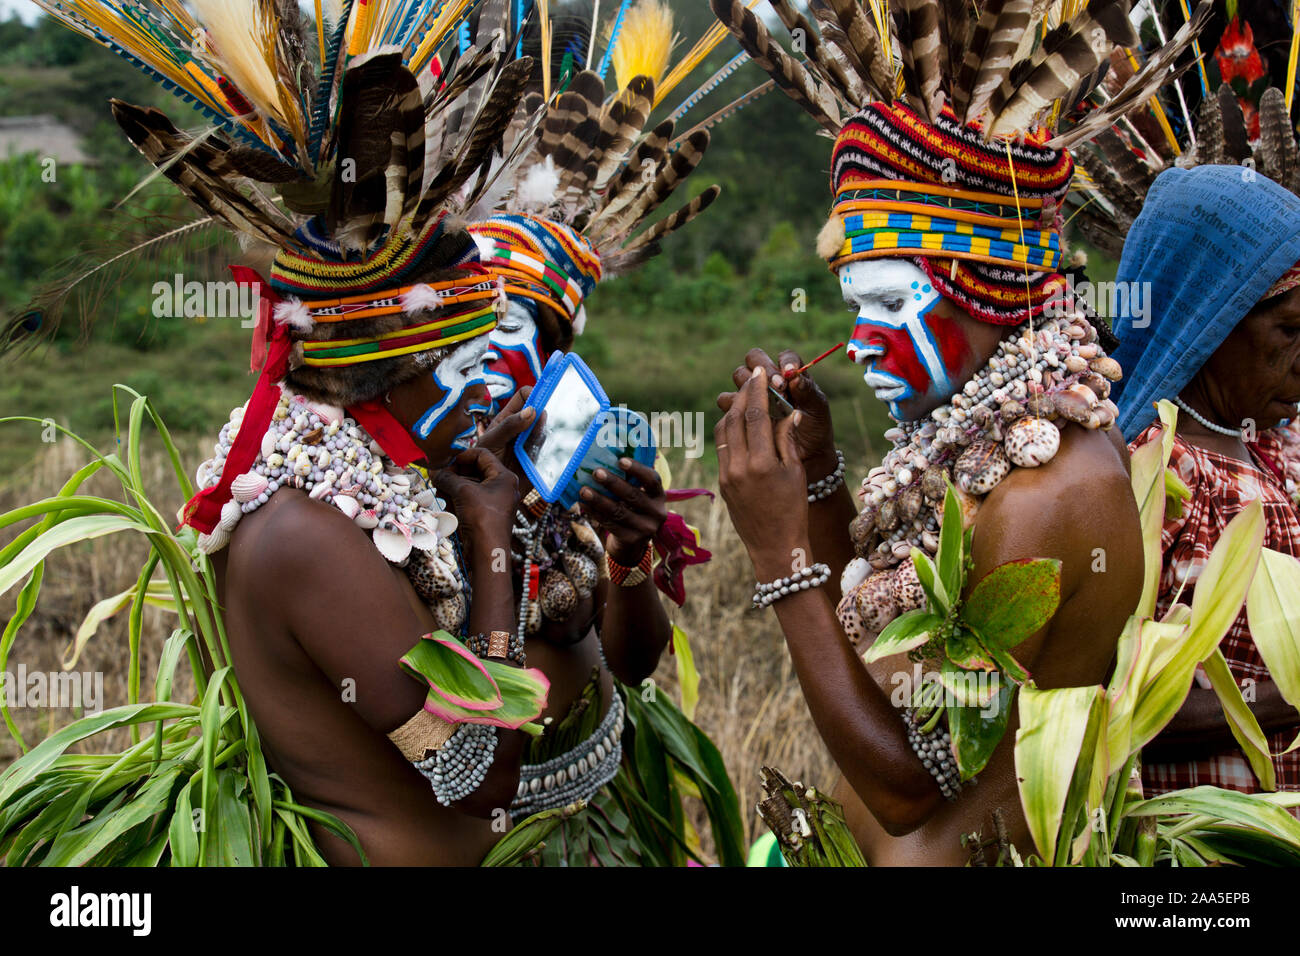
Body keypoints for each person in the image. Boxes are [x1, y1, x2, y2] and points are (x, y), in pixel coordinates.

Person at [4, 2, 558, 865]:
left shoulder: (358, 484)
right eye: (469, 362)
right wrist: (493, 544)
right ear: (389, 370)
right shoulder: (308, 533)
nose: (490, 388)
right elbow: (475, 773)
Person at [708, 0, 1202, 864]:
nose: (861, 339)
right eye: (854, 308)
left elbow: (909, 787)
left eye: (891, 305)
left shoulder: (1048, 493)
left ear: (991, 288)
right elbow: (879, 664)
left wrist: (774, 554)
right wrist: (820, 476)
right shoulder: (987, 442)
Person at [453, 0, 756, 864]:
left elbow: (631, 663)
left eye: (512, 345)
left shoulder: (565, 455)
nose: (485, 371)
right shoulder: (405, 490)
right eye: (464, 344)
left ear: (552, 362)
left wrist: (627, 559)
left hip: (600, 826)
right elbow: (465, 740)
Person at [1109, 162, 1300, 796]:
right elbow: (1100, 708)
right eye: (1290, 331)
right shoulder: (1152, 477)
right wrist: (1286, 699)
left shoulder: (1275, 448)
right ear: (1209, 320)